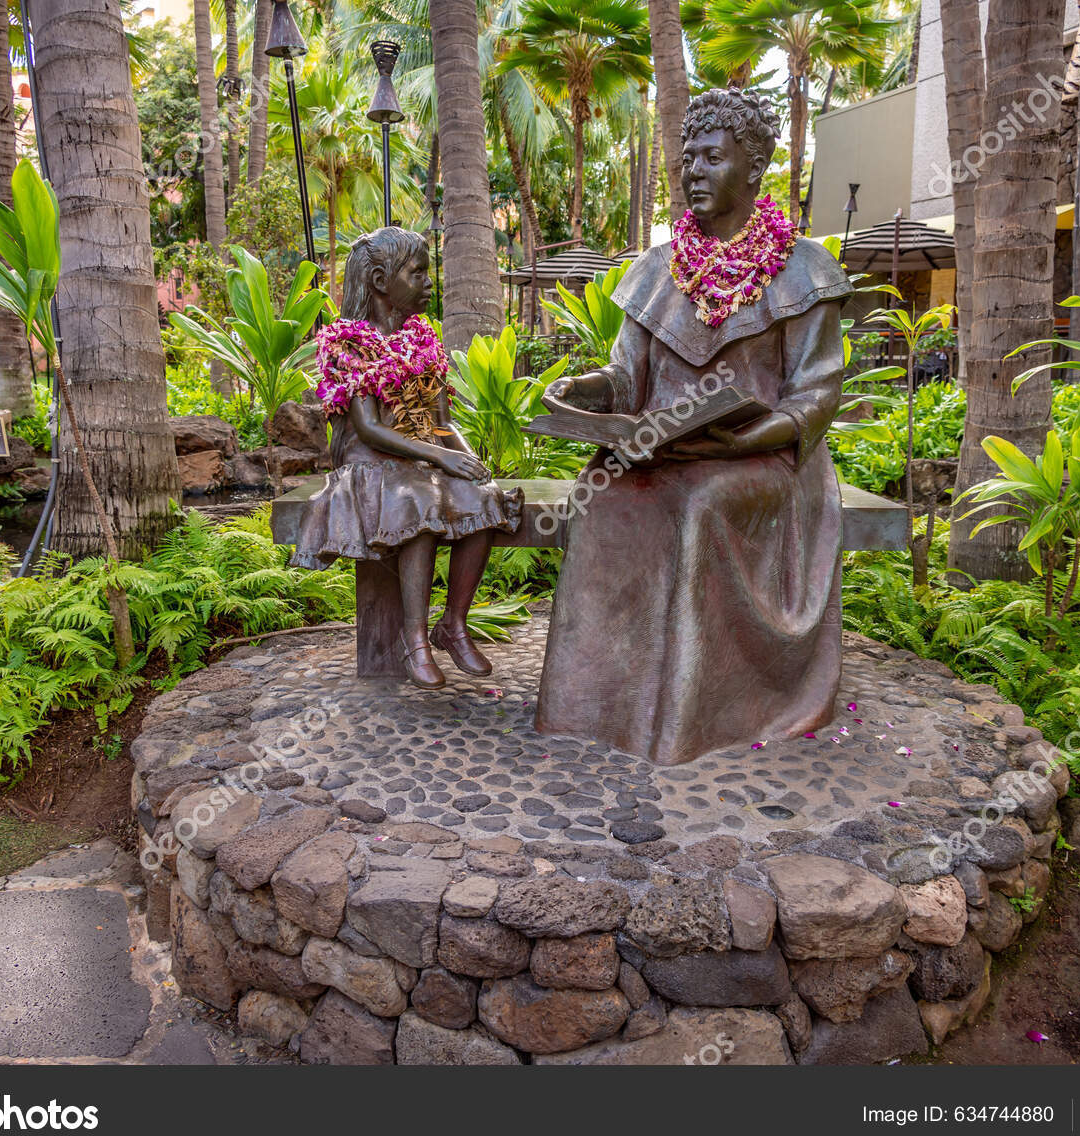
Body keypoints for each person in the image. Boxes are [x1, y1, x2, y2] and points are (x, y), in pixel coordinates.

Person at [535, 88, 852, 765]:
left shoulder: (803, 268)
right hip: (663, 451)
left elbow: (815, 394)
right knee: (603, 497)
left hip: (766, 463)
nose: (695, 172)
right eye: (688, 159)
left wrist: (748, 437)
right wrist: (583, 390)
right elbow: (627, 377)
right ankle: (596, 711)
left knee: (701, 505)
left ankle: (687, 722)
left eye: (713, 157)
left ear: (755, 166)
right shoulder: (656, 269)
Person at [291, 227, 521, 689]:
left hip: (418, 459)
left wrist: (467, 460)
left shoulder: (422, 338)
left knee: (485, 498)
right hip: (369, 464)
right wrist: (439, 458)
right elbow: (370, 428)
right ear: (380, 280)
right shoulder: (347, 341)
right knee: (418, 499)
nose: (428, 284)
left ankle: (452, 624)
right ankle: (413, 638)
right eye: (417, 274)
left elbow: (441, 420)